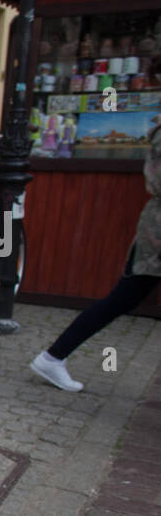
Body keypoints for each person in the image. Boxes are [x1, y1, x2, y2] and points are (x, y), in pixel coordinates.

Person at [31, 110, 161, 392]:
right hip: (156, 235)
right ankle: (52, 357)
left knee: (121, 300)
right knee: (121, 300)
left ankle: (52, 357)